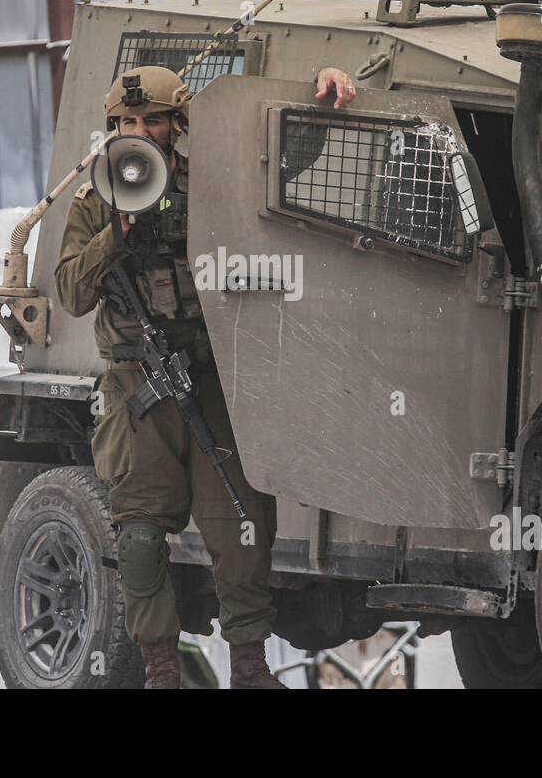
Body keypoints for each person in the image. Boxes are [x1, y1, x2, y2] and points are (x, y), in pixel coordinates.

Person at [55, 64, 355, 688]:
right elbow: (70, 291)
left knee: (243, 527)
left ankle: (248, 665)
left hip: (215, 383)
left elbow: (281, 169)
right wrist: (119, 231)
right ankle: (162, 670)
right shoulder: (96, 197)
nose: (140, 131)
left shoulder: (212, 182)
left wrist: (322, 104)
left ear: (178, 125)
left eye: (153, 120)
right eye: (126, 123)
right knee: (138, 536)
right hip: (138, 391)